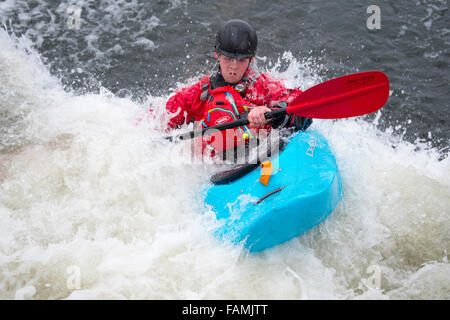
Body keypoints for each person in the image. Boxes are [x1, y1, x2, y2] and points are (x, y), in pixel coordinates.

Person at [165, 19, 312, 158]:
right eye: (228, 59)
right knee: (219, 104)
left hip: (257, 151)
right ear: (217, 55)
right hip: (214, 161)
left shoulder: (262, 84)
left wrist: (272, 114)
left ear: (251, 59)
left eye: (241, 60)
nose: (234, 67)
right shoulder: (200, 91)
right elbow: (162, 117)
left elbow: (298, 102)